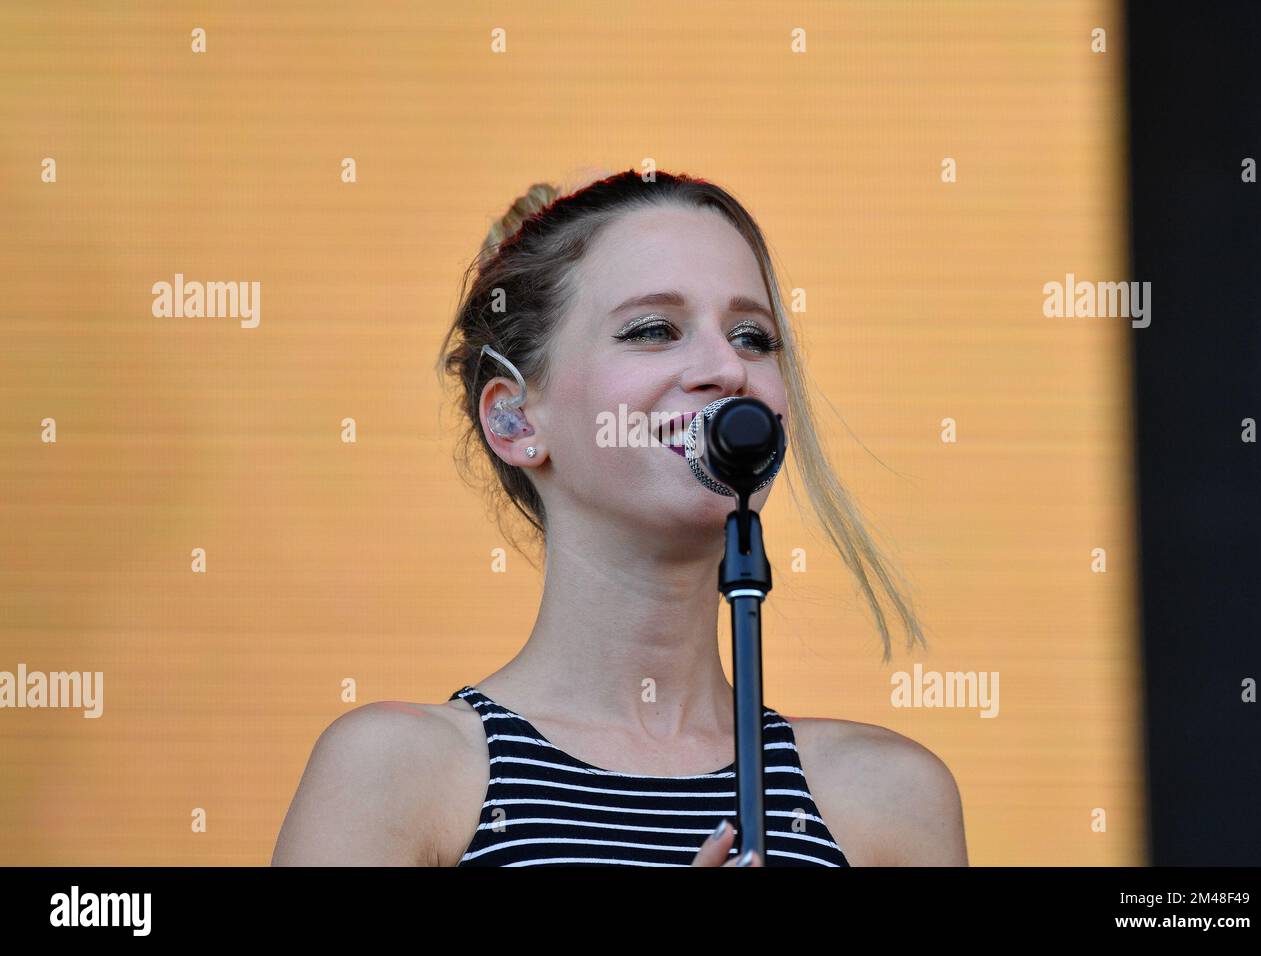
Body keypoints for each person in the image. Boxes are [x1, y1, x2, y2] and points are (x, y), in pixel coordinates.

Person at [272, 169, 968, 867]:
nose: (726, 368)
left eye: (754, 337)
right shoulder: (397, 774)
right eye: (653, 329)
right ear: (514, 419)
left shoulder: (889, 797)